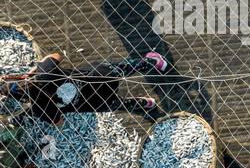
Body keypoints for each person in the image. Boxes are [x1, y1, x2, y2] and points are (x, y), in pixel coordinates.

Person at [3, 50, 167, 125]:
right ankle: (154, 62)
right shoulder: (44, 71)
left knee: (120, 104)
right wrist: (35, 71)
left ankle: (146, 104)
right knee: (125, 69)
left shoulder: (40, 109)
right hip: (99, 77)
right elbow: (57, 55)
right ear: (22, 79)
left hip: (94, 103)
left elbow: (58, 122)